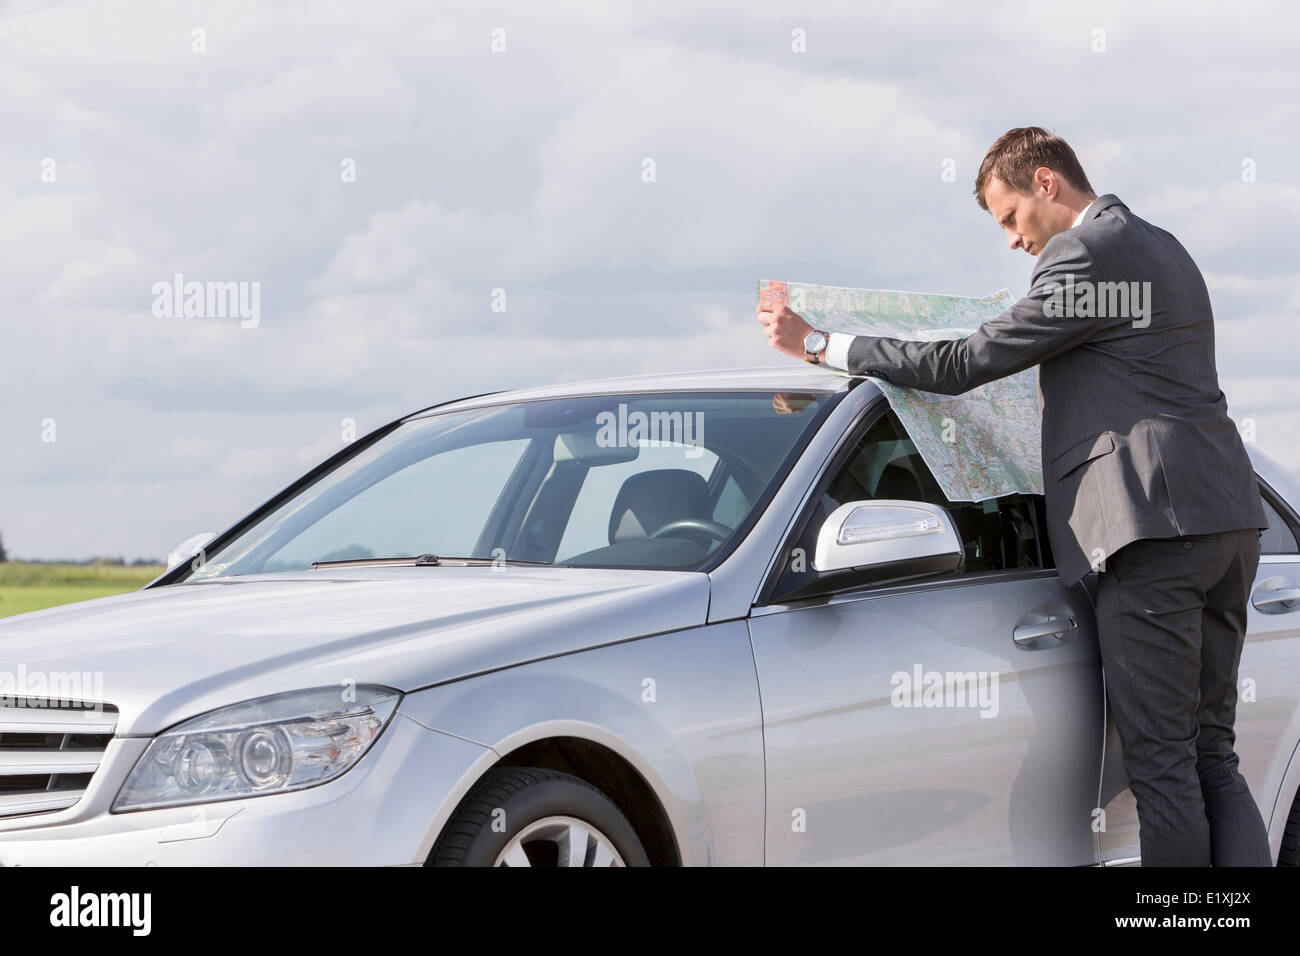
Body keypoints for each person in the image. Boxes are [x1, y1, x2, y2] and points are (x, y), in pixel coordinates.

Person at [757, 126, 1272, 866]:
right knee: (1210, 755)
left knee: (1163, 766)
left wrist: (818, 345)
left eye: (1009, 218)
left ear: (1045, 183)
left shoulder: (1087, 252)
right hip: (1226, 519)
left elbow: (970, 360)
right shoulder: (1164, 246)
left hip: (1153, 534)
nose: (1011, 240)